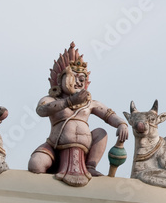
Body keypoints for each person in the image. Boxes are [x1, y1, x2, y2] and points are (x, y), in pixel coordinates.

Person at [28, 43, 128, 187]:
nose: (79, 82)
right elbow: (42, 110)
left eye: (82, 78)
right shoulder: (52, 100)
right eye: (73, 77)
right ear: (61, 80)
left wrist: (121, 124)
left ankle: (90, 166)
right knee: (36, 164)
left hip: (84, 149)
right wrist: (69, 102)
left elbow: (108, 114)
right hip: (55, 147)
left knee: (101, 132)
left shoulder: (90, 103)